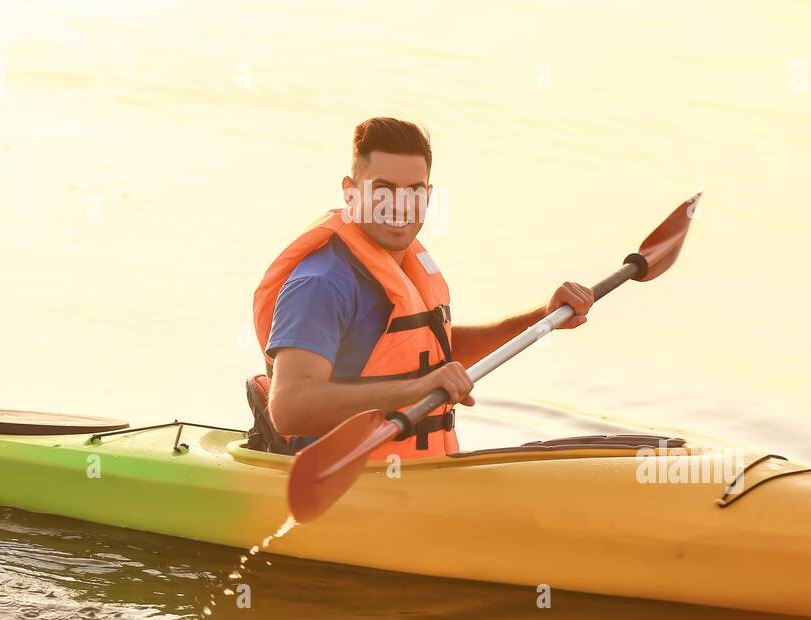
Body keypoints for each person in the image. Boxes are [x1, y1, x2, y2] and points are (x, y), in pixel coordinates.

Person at [250, 117, 593, 459]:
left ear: (427, 195)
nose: (400, 206)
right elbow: (289, 408)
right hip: (348, 482)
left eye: (414, 191)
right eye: (383, 190)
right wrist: (417, 389)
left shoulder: (406, 264)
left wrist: (541, 318)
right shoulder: (322, 283)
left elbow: (431, 352)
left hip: (417, 474)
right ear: (351, 192)